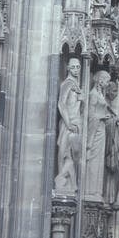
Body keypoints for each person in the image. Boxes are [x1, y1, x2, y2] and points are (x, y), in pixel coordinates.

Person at [54, 57, 83, 193]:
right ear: (68, 68)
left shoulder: (77, 85)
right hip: (69, 124)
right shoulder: (67, 83)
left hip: (76, 123)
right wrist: (68, 122)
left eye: (78, 67)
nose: (76, 70)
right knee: (65, 152)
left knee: (72, 155)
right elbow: (61, 104)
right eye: (73, 67)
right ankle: (62, 181)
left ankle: (70, 183)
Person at [85, 70, 111, 201]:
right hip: (95, 130)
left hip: (101, 129)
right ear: (100, 80)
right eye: (106, 80)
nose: (107, 83)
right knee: (94, 160)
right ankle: (90, 190)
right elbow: (90, 115)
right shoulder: (93, 94)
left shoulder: (100, 94)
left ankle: (97, 190)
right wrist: (102, 116)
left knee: (99, 161)